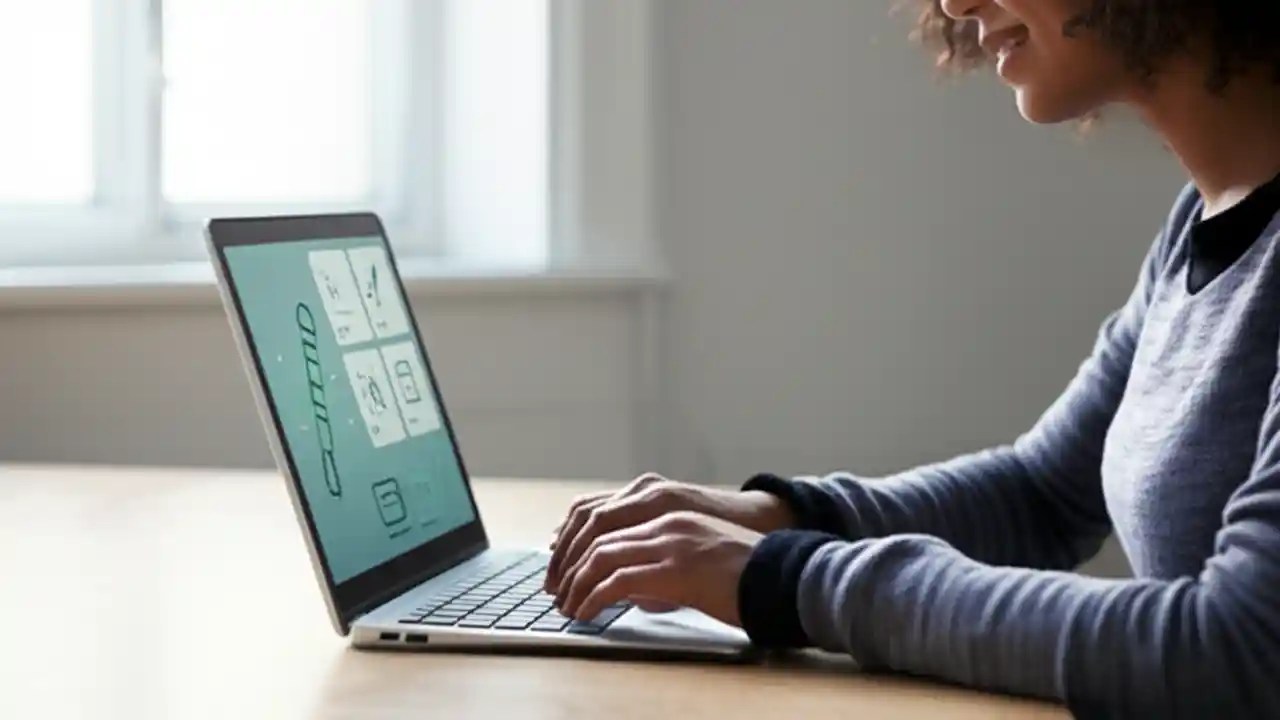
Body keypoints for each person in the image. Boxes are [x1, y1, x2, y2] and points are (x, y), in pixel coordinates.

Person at [545, 1, 1280, 716]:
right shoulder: (1203, 221)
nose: (956, 4)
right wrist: (782, 517)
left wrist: (787, 578)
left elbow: (1238, 645)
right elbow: (1042, 495)